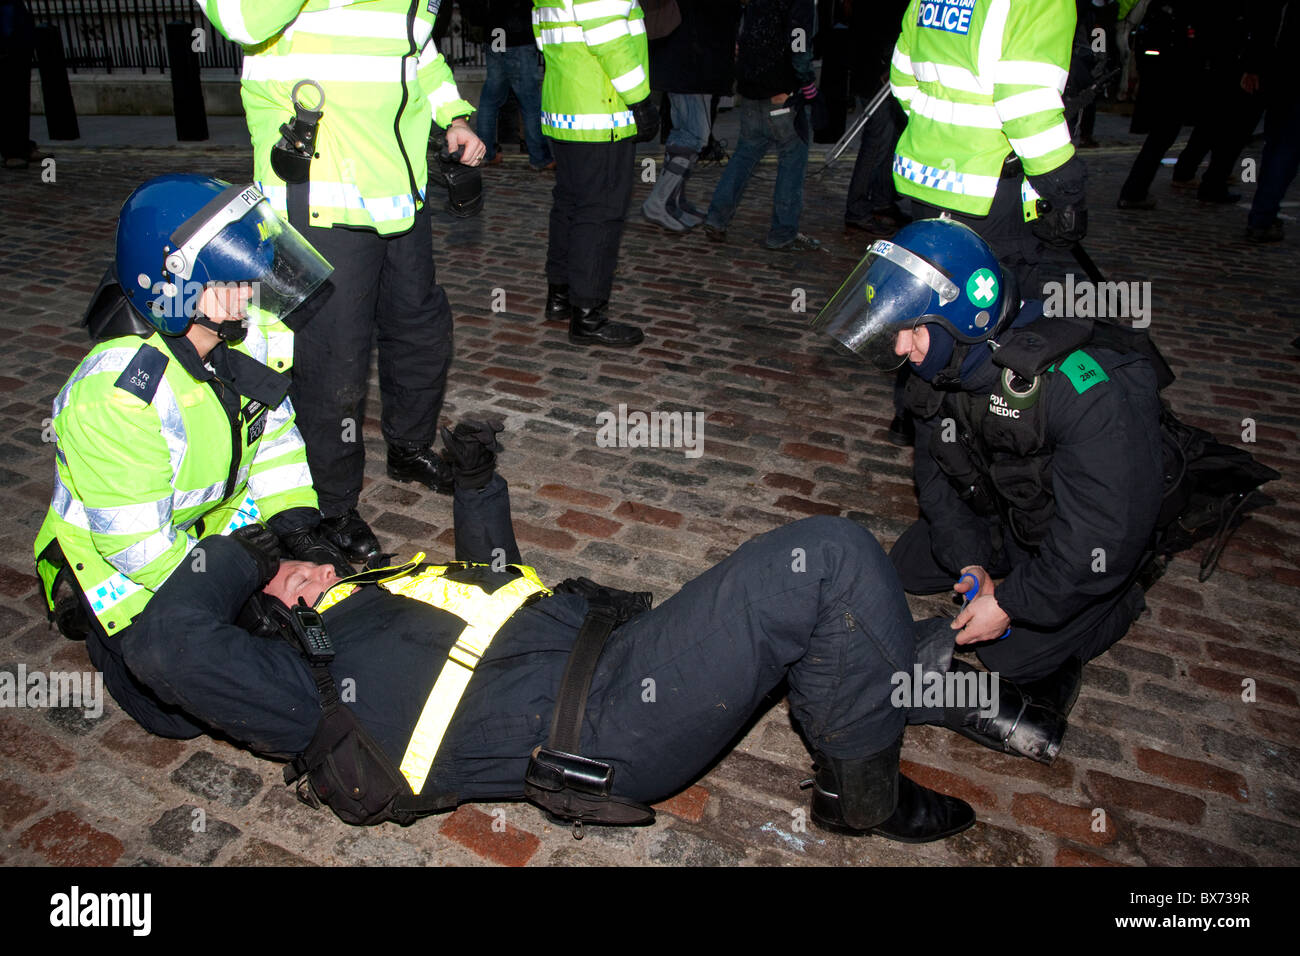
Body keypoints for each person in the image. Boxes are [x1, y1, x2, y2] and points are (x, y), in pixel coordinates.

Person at [71, 414, 976, 843]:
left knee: (835, 605)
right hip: (604, 727)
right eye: (291, 580)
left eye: (302, 559)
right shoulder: (301, 687)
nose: (315, 565)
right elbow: (166, 647)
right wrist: (240, 548)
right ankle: (866, 800)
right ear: (271, 616)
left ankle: (897, 685)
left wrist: (477, 488)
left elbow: (497, 596)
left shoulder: (375, 596)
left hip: (615, 655)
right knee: (826, 558)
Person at [816, 218, 1165, 762]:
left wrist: (1011, 601)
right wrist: (973, 564)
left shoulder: (1080, 391)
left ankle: (1121, 600)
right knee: (911, 563)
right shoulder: (939, 368)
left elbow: (1104, 529)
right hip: (1008, 510)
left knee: (1013, 657)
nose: (899, 345)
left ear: (963, 319)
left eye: (911, 329)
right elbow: (936, 481)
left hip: (1081, 537)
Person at [33, 173, 353, 737]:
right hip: (124, 567)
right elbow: (136, 545)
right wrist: (258, 579)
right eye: (232, 279)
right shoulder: (117, 396)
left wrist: (298, 527)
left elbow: (275, 444)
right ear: (171, 288)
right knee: (177, 711)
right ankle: (87, 619)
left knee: (321, 603)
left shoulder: (245, 337)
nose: (251, 289)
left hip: (214, 534)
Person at [195, 0, 488, 564]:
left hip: (400, 191)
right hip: (321, 196)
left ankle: (407, 447)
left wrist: (452, 113)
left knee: (419, 328)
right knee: (334, 359)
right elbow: (238, 20)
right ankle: (331, 504)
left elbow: (415, 49)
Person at [889, 0, 1086, 297]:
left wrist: (943, 133)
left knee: (934, 309)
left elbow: (903, 79)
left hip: (927, 181)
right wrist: (1065, 188)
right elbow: (1027, 104)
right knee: (996, 317)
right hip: (992, 192)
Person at [535, 0, 659, 348]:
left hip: (566, 106)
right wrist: (640, 100)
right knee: (600, 212)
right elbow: (609, 39)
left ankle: (560, 295)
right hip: (601, 110)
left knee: (570, 204)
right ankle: (588, 315)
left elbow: (544, 38)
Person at [702, 0, 824, 252]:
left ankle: (717, 218)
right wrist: (807, 85)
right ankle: (782, 232)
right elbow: (798, 42)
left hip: (751, 87)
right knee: (792, 159)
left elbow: (745, 33)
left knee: (745, 153)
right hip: (781, 89)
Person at [640, 0, 744, 232]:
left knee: (686, 136)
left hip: (691, 61)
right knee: (693, 137)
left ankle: (673, 201)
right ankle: (658, 203)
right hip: (691, 63)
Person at [462, 0, 554, 171]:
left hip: (496, 32)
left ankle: (486, 152)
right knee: (530, 102)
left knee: (491, 98)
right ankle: (540, 157)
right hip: (518, 37)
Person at [1243, 0, 1298, 243]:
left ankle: (1263, 212)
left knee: (1276, 144)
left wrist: (1253, 66)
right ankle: (1263, 216)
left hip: (1279, 72)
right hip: (1286, 71)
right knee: (1285, 148)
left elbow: (1264, 22)